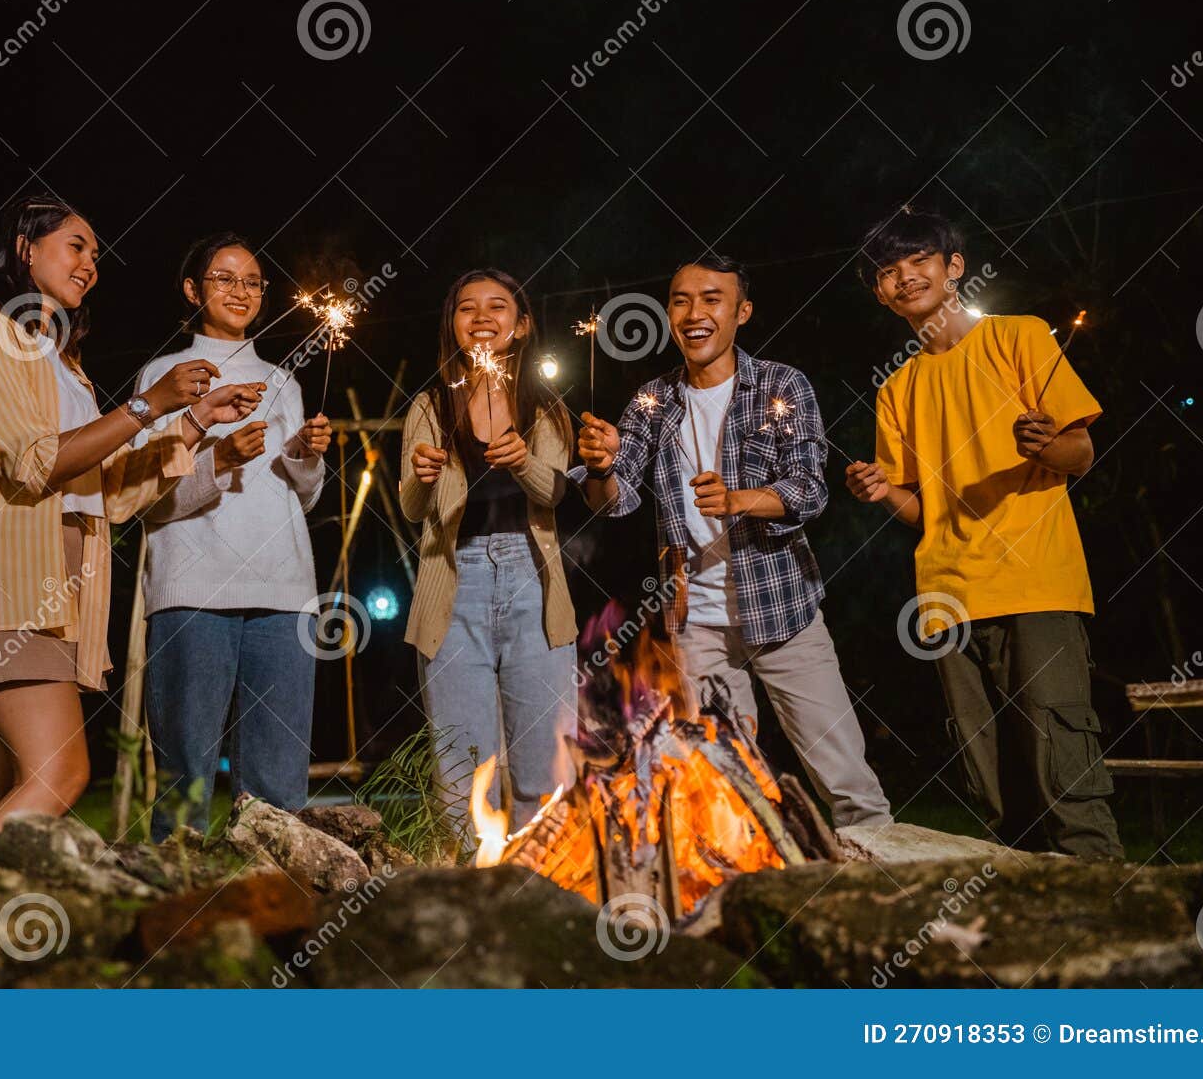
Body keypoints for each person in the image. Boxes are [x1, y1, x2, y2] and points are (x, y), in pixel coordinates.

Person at [0, 195, 264, 833]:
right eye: (77, 246)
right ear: (26, 247)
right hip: (6, 582)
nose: (91, 265)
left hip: (63, 585)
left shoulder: (66, 369)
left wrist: (193, 420)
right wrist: (146, 406)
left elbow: (110, 492)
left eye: (97, 255)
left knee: (11, 790)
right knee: (61, 774)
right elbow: (32, 462)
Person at [572, 254, 893, 829]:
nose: (694, 313)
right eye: (680, 300)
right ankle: (755, 904)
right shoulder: (653, 400)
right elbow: (618, 502)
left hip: (782, 612)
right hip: (694, 625)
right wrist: (600, 466)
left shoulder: (781, 384)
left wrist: (739, 498)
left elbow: (810, 490)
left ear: (741, 311)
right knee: (727, 788)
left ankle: (883, 897)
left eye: (711, 299)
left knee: (848, 783)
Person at [845, 207, 1122, 858]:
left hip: (1035, 578)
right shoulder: (898, 388)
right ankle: (1025, 924)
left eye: (918, 261)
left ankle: (1109, 902)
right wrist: (887, 494)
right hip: (949, 593)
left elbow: (1080, 452)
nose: (905, 277)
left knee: (1062, 759)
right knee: (992, 778)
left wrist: (1048, 444)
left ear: (955, 267)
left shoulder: (1019, 336)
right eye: (888, 270)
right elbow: (924, 511)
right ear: (879, 292)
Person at [132, 233, 331, 839]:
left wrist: (302, 456)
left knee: (278, 775)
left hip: (283, 588)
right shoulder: (164, 375)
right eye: (224, 278)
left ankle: (280, 905)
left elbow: (307, 495)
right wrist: (216, 461)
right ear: (193, 291)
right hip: (193, 589)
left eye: (252, 282)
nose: (240, 291)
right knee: (185, 769)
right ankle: (178, 902)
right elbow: (146, 495)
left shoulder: (284, 382)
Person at [399, 268, 578, 833]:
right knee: (462, 770)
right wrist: (423, 477)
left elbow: (556, 493)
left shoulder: (545, 407)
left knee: (543, 766)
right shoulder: (430, 405)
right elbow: (410, 507)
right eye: (466, 307)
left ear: (522, 325)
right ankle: (470, 896)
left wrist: (522, 460)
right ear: (452, 326)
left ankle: (544, 888)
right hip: (454, 585)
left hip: (533, 582)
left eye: (497, 307)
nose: (481, 318)